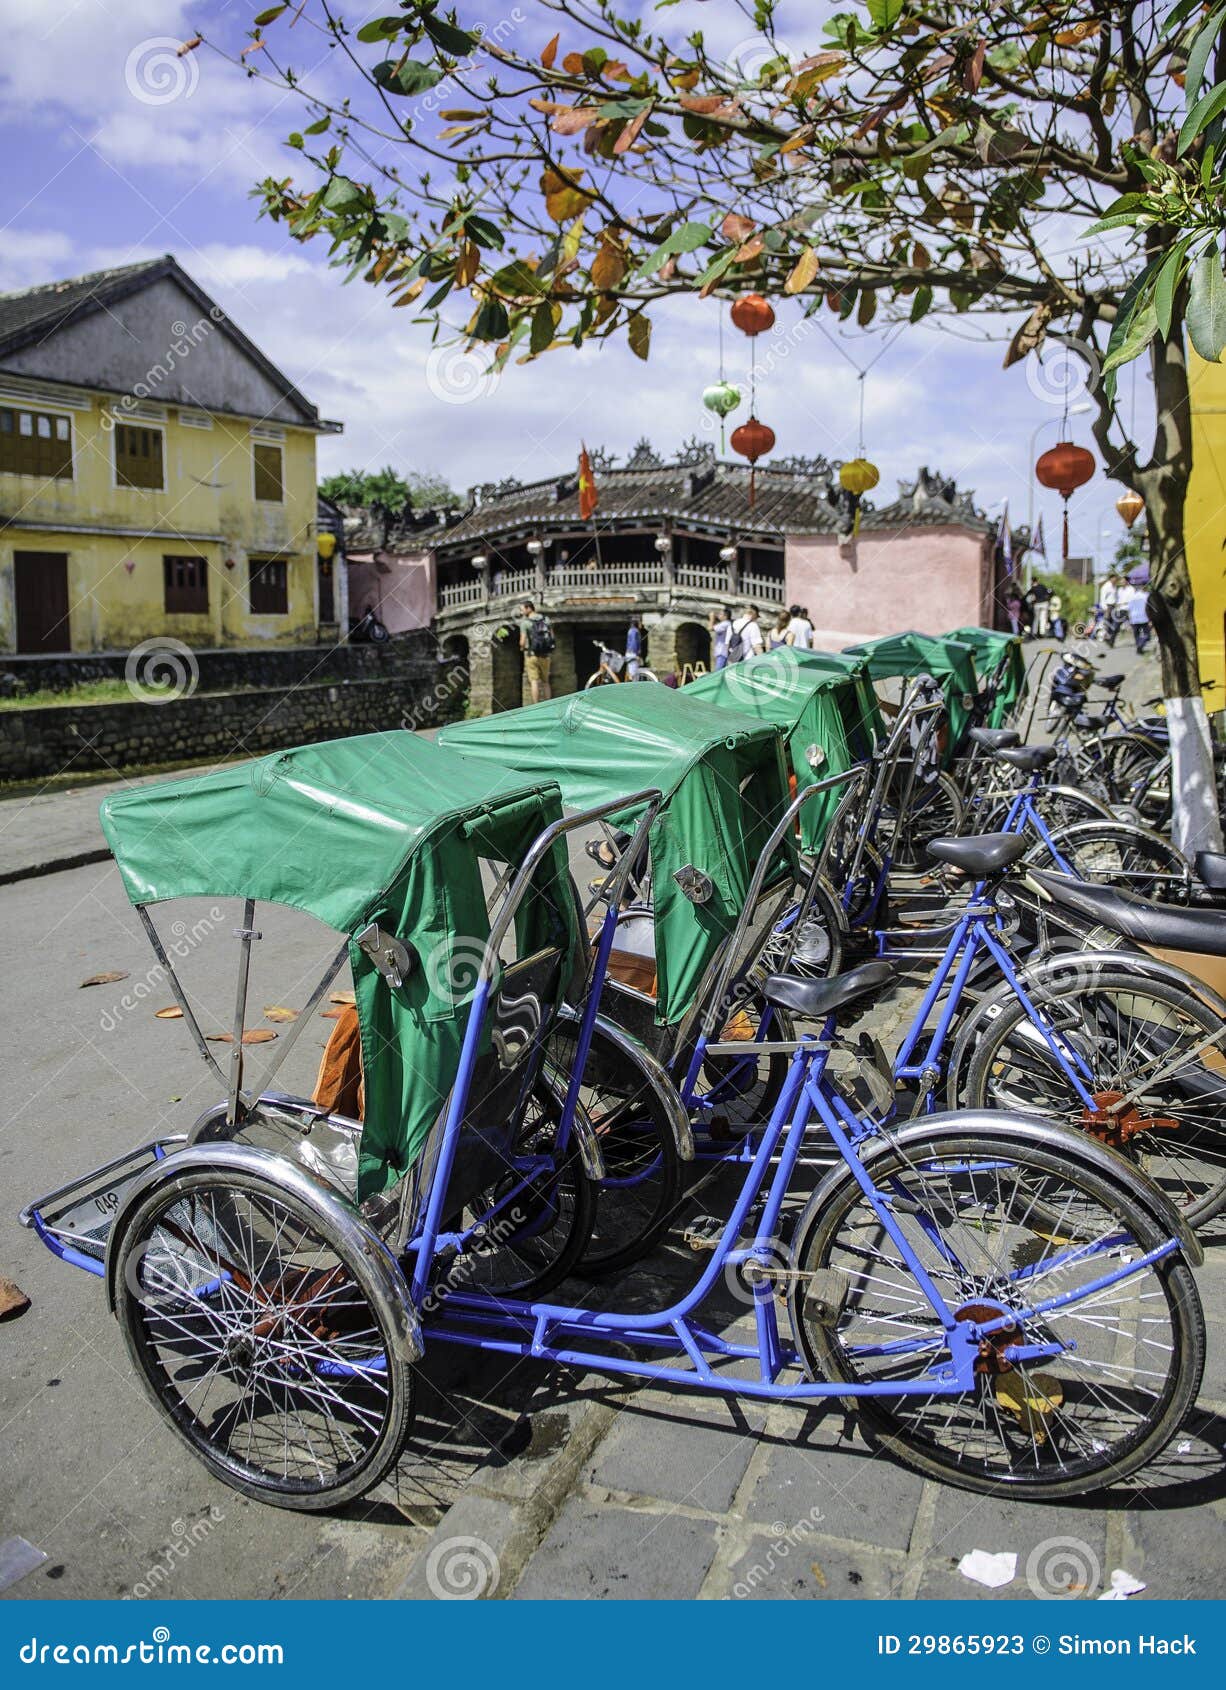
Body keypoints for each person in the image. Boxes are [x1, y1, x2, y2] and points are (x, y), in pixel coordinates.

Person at [519, 599, 554, 702]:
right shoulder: (546, 619)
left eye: (522, 610)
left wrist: (522, 648)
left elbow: (522, 642)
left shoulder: (525, 623)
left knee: (534, 681)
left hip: (532, 655)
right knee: (546, 682)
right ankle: (549, 704)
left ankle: (536, 706)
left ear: (528, 608)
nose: (521, 612)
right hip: (545, 655)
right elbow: (552, 636)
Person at [1128, 584, 1150, 653]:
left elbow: (1129, 608)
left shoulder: (1132, 596)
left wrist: (1129, 618)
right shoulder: (1146, 595)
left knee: (1136, 634)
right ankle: (1140, 645)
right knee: (1147, 635)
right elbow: (1149, 608)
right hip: (1144, 617)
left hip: (1134, 618)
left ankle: (1139, 646)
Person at [710, 605, 732, 669]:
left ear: (725, 616)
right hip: (723, 652)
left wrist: (711, 618)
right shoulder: (726, 623)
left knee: (718, 672)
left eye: (720, 614)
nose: (718, 615)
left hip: (722, 652)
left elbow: (710, 628)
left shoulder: (725, 624)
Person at [625, 614, 643, 679]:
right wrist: (636, 655)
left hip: (630, 654)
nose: (641, 624)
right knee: (633, 675)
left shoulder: (632, 630)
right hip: (632, 654)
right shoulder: (634, 631)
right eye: (640, 622)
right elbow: (633, 643)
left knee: (633, 674)